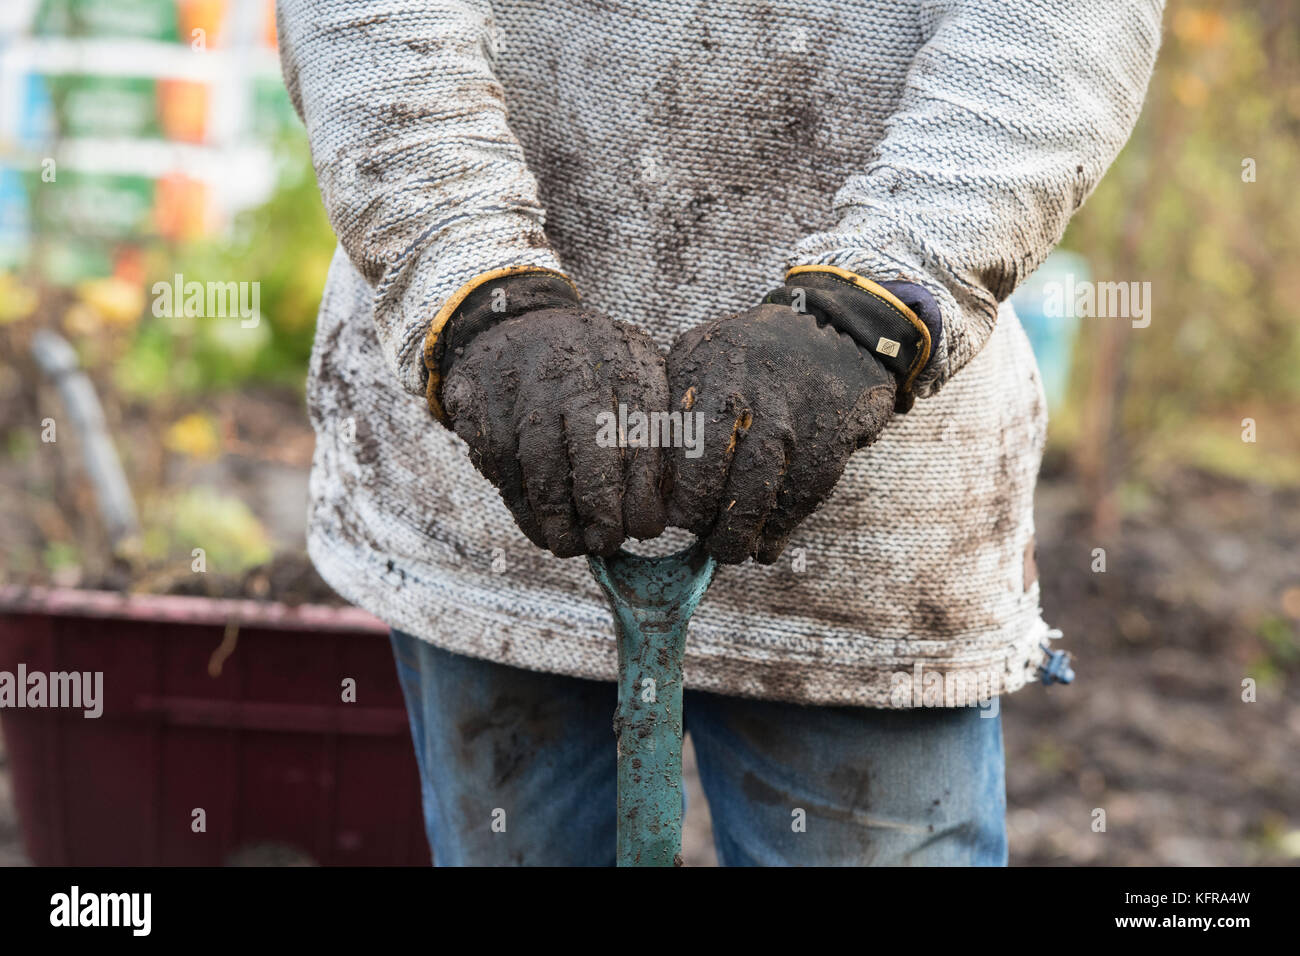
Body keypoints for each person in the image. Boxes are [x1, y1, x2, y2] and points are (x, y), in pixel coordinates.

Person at [277, 0, 1163, 865]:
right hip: (489, 510)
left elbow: (1058, 27)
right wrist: (477, 291)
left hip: (871, 549)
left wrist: (869, 311)